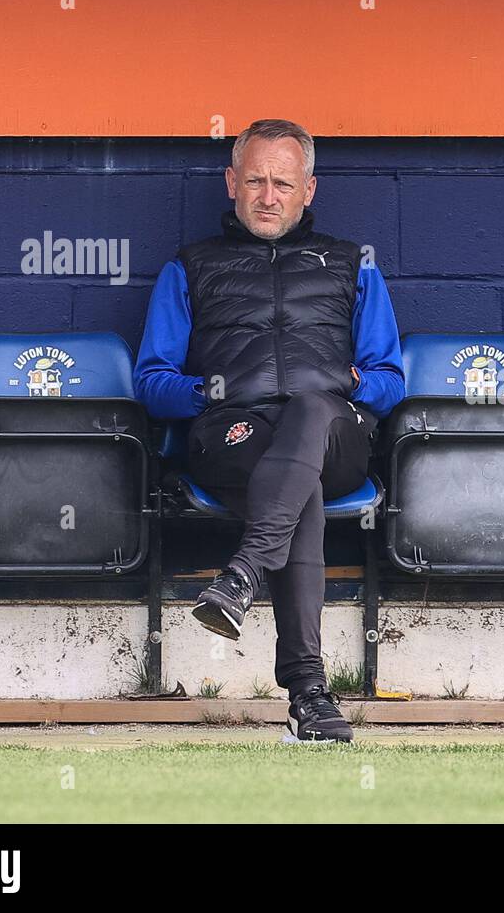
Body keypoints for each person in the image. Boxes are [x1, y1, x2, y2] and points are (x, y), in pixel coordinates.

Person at [134, 119, 404, 743]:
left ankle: (246, 572)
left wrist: (349, 380)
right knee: (295, 483)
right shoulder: (192, 266)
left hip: (335, 433)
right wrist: (210, 392)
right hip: (235, 438)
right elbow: (152, 381)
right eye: (254, 180)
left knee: (310, 412)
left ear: (308, 189)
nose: (267, 196)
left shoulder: (351, 263)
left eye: (282, 182)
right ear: (232, 183)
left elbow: (390, 379)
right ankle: (310, 696)